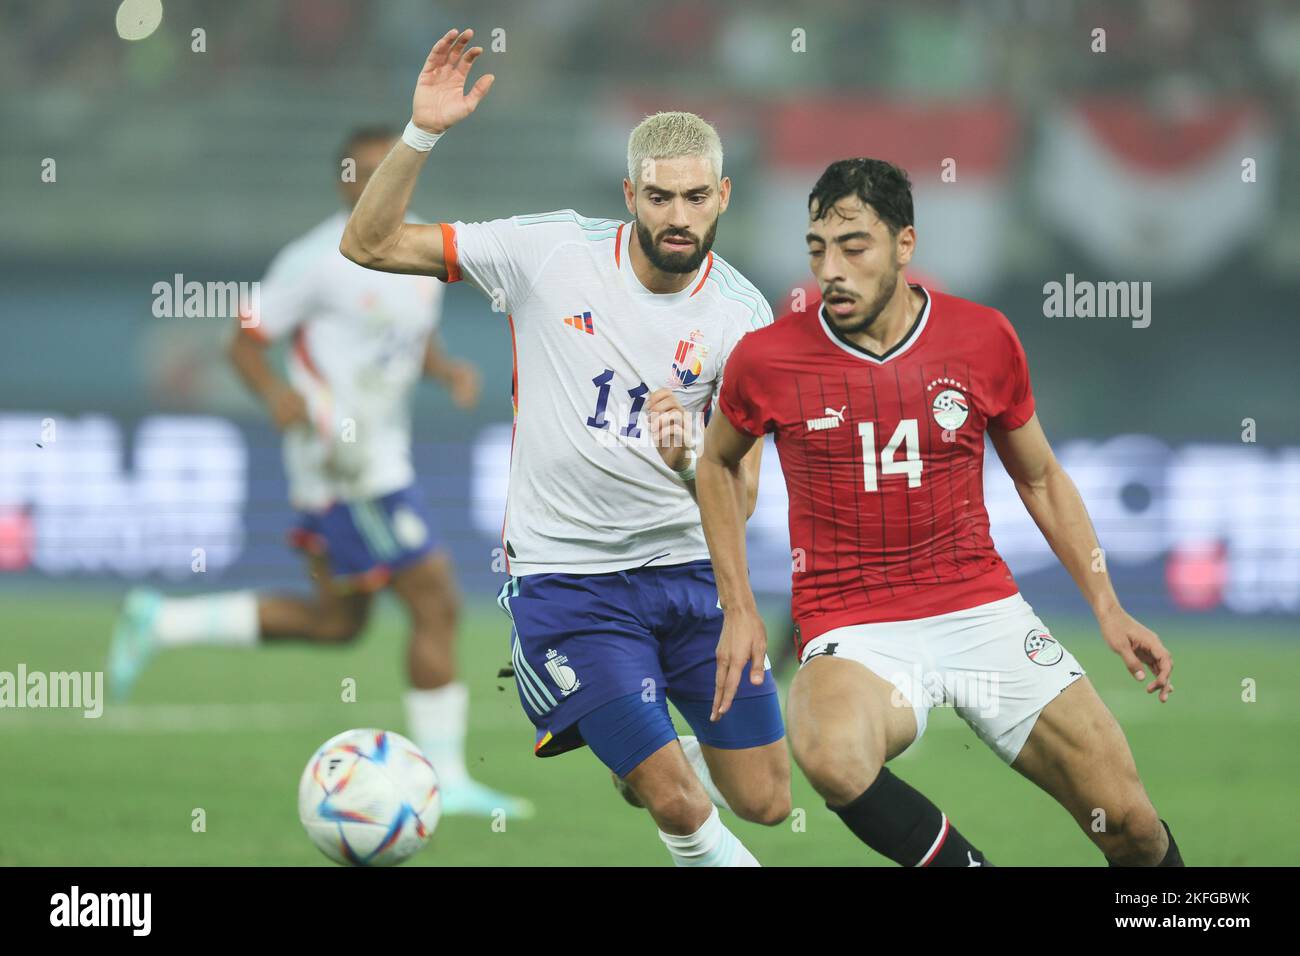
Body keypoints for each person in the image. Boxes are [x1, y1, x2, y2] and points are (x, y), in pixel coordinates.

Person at [340, 29, 790, 866]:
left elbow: (747, 491)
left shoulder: (744, 318)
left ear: (724, 194)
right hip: (570, 581)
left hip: (689, 574)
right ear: (629, 193)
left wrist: (689, 462)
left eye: (696, 197)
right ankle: (649, 758)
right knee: (682, 804)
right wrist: (422, 132)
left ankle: (640, 747)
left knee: (766, 799)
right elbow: (369, 244)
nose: (679, 216)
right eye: (660, 197)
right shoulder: (549, 252)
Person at [697, 157, 1183, 867]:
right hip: (853, 624)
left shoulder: (982, 338)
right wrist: (739, 607)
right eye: (817, 249)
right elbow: (716, 463)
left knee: (1131, 825)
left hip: (981, 609)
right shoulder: (767, 358)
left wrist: (1108, 607)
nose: (831, 270)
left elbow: (1041, 478)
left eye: (854, 247)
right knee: (830, 753)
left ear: (905, 245)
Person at [108, 125, 531, 819]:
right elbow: (243, 341)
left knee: (338, 621)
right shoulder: (315, 259)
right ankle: (449, 779)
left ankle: (163, 620)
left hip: (383, 452)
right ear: (342, 181)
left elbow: (412, 334)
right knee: (436, 600)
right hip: (343, 460)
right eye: (362, 171)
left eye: (390, 168)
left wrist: (445, 369)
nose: (377, 181)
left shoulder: (421, 245)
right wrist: (276, 394)